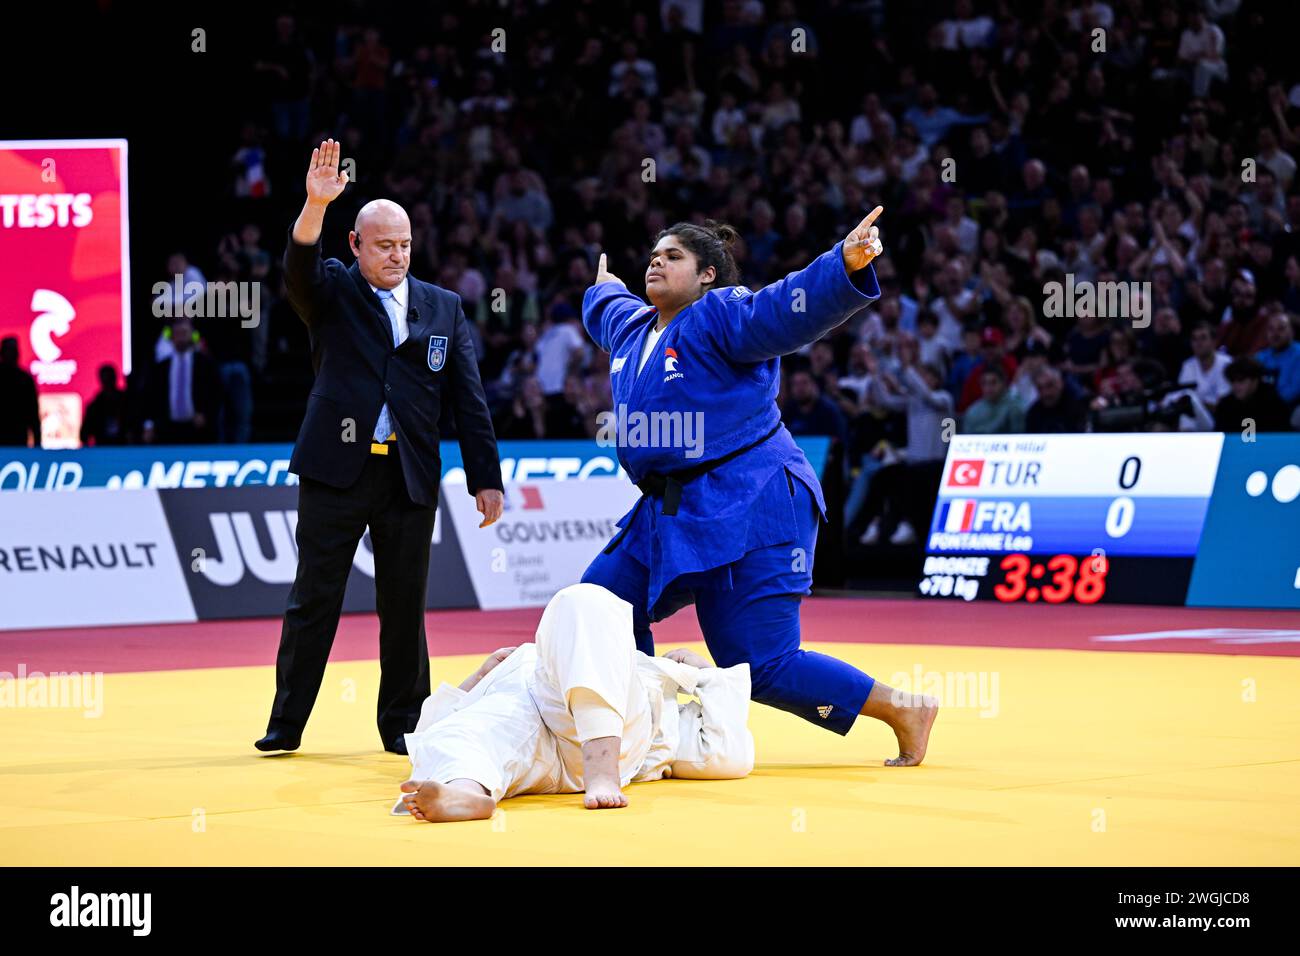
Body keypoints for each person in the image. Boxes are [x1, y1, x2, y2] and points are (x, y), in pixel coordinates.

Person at [579, 209, 939, 767]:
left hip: (754, 496)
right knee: (601, 604)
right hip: (669, 505)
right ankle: (640, 730)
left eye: (674, 256)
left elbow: (783, 309)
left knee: (757, 663)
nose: (658, 259)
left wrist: (839, 266)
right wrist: (601, 291)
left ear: (706, 277)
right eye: (655, 253)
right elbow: (606, 310)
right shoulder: (631, 327)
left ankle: (902, 707)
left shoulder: (722, 315)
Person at [256, 139, 505, 755]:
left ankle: (403, 726)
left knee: (404, 608)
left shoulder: (442, 307)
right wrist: (316, 204)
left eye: (404, 246)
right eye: (384, 245)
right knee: (314, 598)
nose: (396, 256)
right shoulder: (333, 292)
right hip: (335, 471)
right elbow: (298, 271)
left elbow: (468, 400)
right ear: (356, 246)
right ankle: (286, 725)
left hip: (410, 475)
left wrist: (486, 477)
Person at [395, 584, 754, 821]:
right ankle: (464, 791)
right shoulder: (648, 681)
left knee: (583, 600)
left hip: (606, 740)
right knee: (465, 734)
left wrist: (707, 675)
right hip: (527, 720)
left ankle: (602, 766)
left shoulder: (660, 714)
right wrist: (478, 677)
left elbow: (730, 755)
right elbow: (433, 730)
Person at [140, 316, 221, 444]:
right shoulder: (161, 368)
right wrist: (149, 424)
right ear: (171, 337)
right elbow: (151, 398)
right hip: (167, 430)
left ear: (192, 335)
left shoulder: (205, 364)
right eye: (178, 333)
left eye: (185, 332)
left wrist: (206, 414)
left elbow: (215, 393)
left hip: (198, 430)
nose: (181, 336)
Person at [0, 336, 41, 447]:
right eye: (8, 351)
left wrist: (38, 443)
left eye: (13, 351)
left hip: (18, 438)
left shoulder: (25, 379)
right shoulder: (25, 378)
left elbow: (33, 413)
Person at [80, 364, 128, 446]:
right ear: (101, 380)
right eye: (105, 378)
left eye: (110, 378)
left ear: (115, 378)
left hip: (124, 447)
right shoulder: (94, 406)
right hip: (102, 448)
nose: (108, 381)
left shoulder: (127, 402)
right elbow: (84, 434)